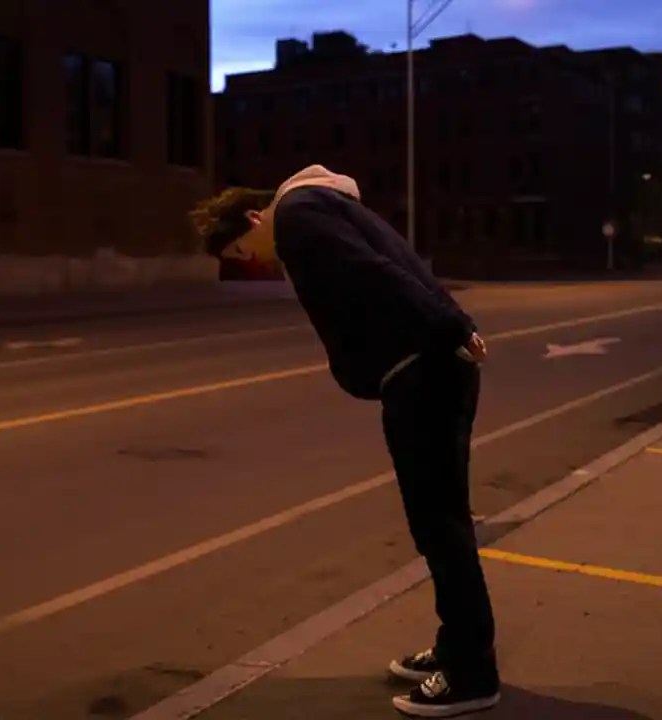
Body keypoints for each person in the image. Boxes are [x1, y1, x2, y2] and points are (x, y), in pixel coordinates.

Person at [189, 165, 500, 717]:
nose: (249, 264)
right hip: (420, 370)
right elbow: (389, 270)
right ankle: (457, 649)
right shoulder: (317, 209)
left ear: (253, 218)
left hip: (421, 373)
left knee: (440, 524)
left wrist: (452, 326)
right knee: (438, 522)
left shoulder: (298, 217)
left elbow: (376, 272)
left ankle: (472, 674)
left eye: (240, 250)